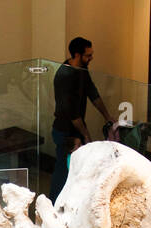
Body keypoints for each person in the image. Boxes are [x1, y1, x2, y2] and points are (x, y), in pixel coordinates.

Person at [49, 36, 114, 201]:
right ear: (77, 55)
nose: (91, 58)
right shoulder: (65, 75)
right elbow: (72, 113)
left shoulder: (82, 70)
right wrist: (85, 135)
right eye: (88, 55)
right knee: (63, 169)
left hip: (76, 129)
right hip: (65, 130)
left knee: (77, 168)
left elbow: (93, 93)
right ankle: (55, 203)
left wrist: (108, 117)